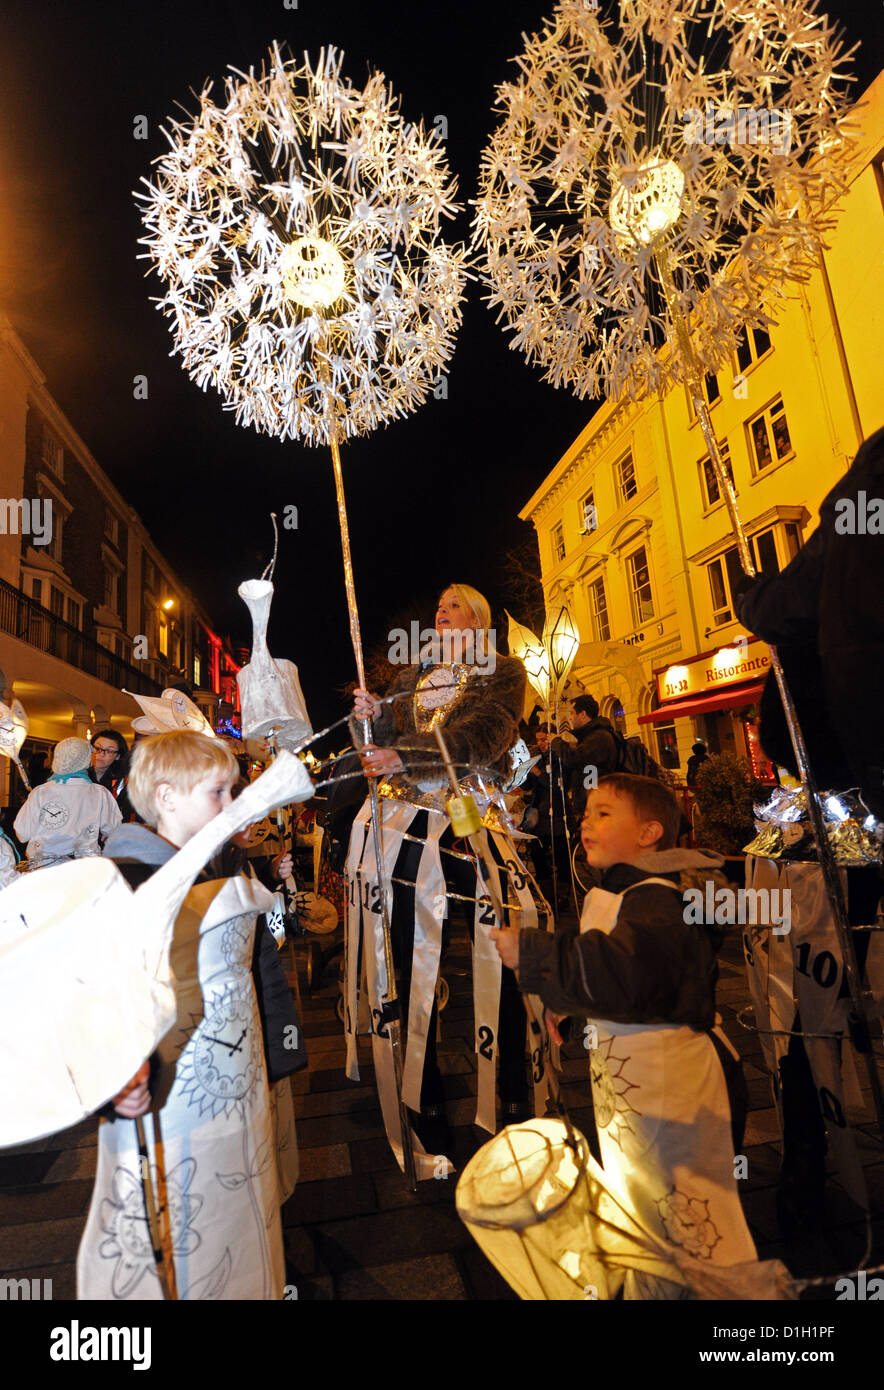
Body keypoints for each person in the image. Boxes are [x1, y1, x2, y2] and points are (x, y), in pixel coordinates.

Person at [491, 773, 756, 1297]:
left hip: (672, 1088)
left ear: (650, 832)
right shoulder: (615, 888)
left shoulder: (657, 896)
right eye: (586, 812)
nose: (587, 822)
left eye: (605, 812)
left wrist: (540, 956)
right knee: (641, 1199)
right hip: (632, 1082)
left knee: (686, 1218)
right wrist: (565, 1004)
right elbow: (607, 967)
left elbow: (631, 969)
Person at [77, 732, 289, 1300]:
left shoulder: (210, 865)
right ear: (167, 796)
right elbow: (98, 992)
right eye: (218, 792)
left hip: (226, 1089)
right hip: (166, 1094)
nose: (230, 805)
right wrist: (115, 1074)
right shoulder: (127, 879)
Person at [347, 583, 547, 1169]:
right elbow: (378, 747)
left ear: (478, 617)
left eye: (454, 603)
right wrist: (373, 721)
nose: (442, 609)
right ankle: (423, 1105)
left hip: (469, 828)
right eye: (438, 603)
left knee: (499, 959)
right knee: (410, 964)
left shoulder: (503, 671)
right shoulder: (414, 675)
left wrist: (407, 755)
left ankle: (511, 1099)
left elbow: (486, 737)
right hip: (404, 834)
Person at [14, 737, 121, 867]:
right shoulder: (100, 793)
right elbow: (115, 831)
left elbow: (22, 834)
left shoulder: (40, 793)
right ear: (86, 760)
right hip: (85, 869)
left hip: (44, 869)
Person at [551, 694, 619, 818]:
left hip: (598, 807)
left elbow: (575, 758)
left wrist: (556, 743)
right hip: (590, 805)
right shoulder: (588, 737)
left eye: (572, 713)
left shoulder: (599, 737)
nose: (570, 718)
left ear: (582, 714)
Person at [90, 728, 136, 822]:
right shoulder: (77, 773)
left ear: (118, 756)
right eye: (97, 748)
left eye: (109, 751)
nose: (101, 754)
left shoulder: (122, 781)